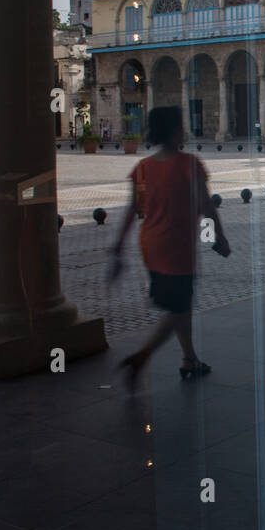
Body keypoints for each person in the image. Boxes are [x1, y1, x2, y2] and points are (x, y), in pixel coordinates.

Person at [111, 105, 230, 387]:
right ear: (176, 131)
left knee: (181, 304)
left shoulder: (142, 168)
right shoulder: (190, 164)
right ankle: (142, 356)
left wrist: (117, 245)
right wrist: (219, 238)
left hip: (150, 245)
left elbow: (132, 210)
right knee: (178, 308)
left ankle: (189, 359)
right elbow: (206, 206)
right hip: (177, 246)